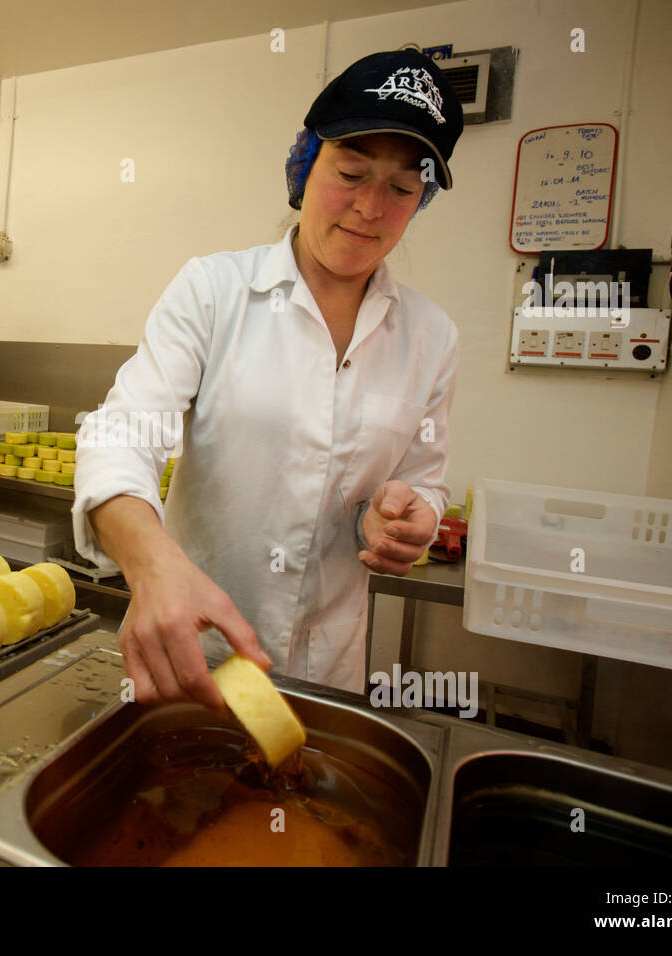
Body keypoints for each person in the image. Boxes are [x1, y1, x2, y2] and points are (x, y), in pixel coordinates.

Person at [73, 50, 464, 709]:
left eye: (401, 189)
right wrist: (152, 566)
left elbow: (421, 477)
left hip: (328, 677)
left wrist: (401, 515)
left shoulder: (431, 337)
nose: (370, 207)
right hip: (195, 658)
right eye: (351, 172)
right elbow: (120, 435)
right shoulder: (214, 290)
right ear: (304, 165)